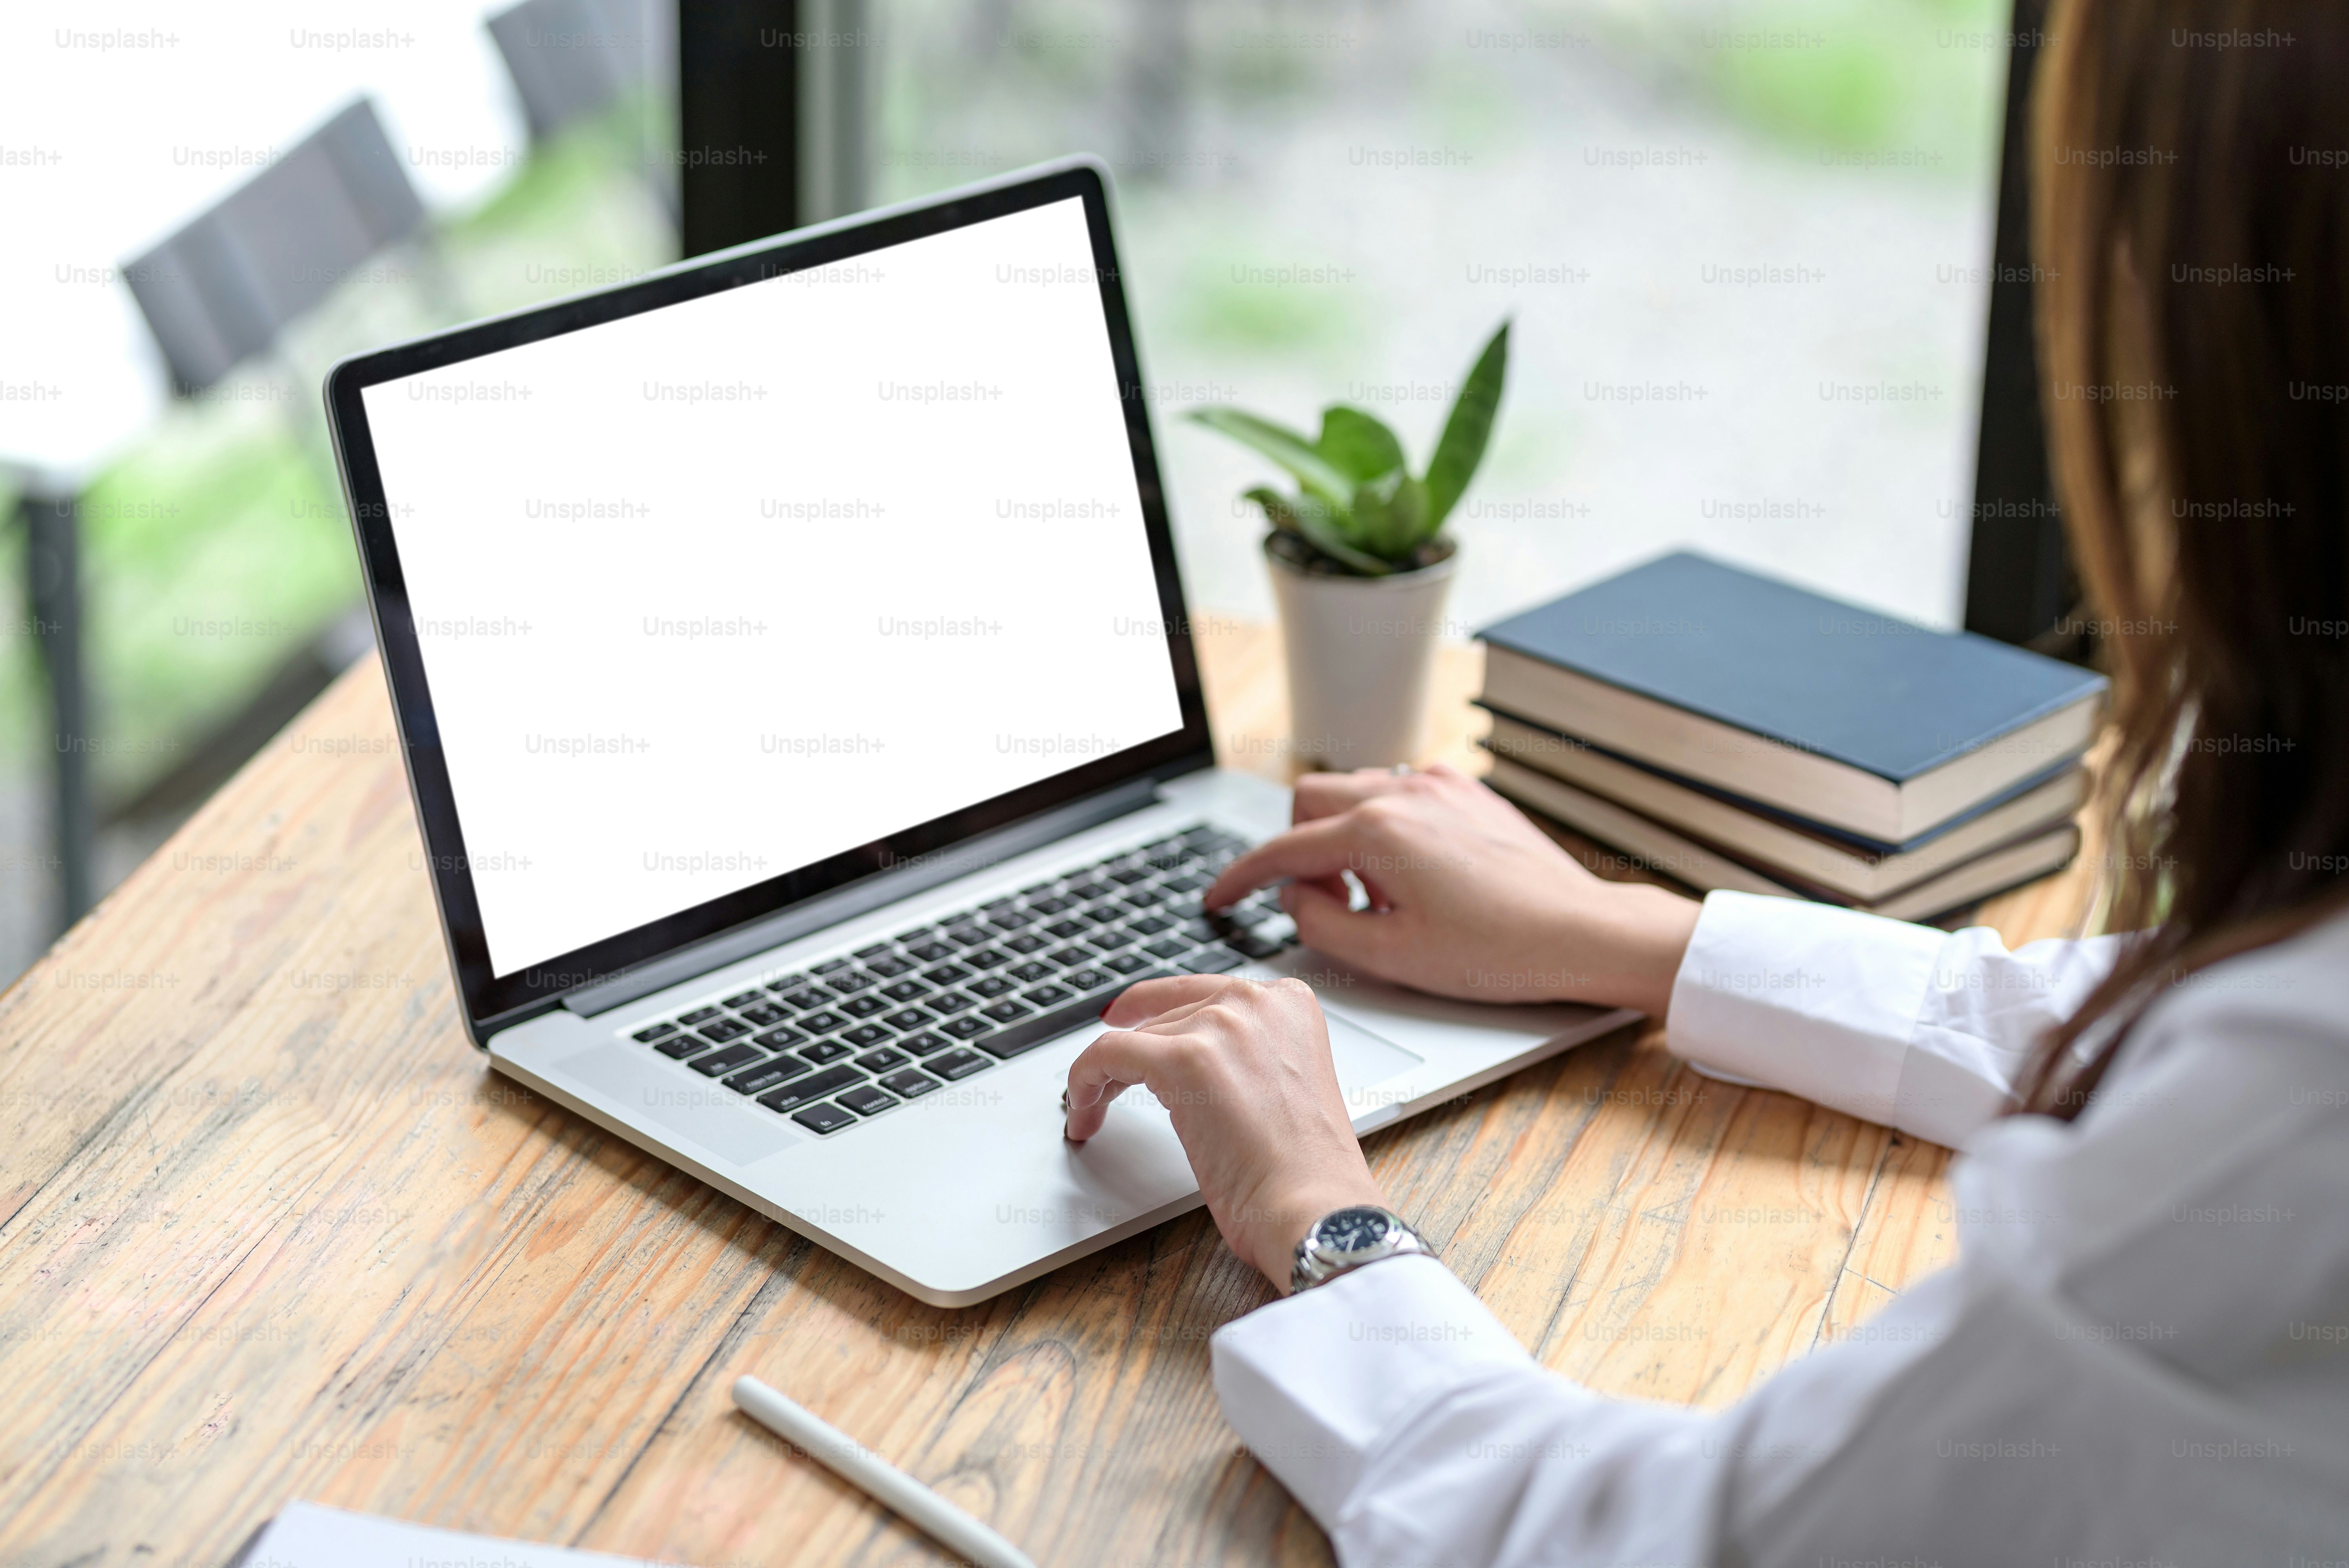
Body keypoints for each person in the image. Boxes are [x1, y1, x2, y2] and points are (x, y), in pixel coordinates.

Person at [1061, 2, 2349, 1561]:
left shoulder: (2289, 1125)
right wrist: (1627, 936)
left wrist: (1320, 1218)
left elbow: (1668, 1545)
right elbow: (2121, 1014)